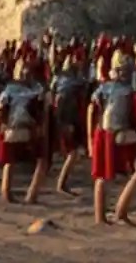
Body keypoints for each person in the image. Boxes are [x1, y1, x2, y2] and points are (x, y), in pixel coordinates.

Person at [87, 49, 136, 225]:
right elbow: (92, 109)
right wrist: (89, 141)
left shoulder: (131, 87)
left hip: (123, 132)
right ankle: (101, 218)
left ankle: (120, 211)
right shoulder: (108, 88)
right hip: (107, 133)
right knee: (103, 176)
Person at [0, 56, 50, 204]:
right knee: (42, 160)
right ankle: (32, 194)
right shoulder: (37, 90)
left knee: (10, 162)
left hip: (11, 130)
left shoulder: (8, 91)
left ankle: (6, 192)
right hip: (29, 130)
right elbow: (42, 111)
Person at [50, 53, 89, 196]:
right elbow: (62, 103)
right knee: (72, 153)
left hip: (68, 119)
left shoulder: (63, 80)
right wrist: (67, 122)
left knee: (73, 153)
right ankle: (61, 184)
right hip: (66, 119)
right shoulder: (69, 84)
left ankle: (62, 183)